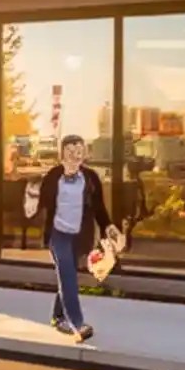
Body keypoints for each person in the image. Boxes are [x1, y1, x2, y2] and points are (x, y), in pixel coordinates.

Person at [39, 134, 117, 343]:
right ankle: (78, 325)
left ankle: (58, 317)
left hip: (79, 236)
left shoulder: (91, 178)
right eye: (71, 150)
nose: (76, 154)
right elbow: (43, 206)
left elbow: (99, 207)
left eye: (79, 150)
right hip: (59, 234)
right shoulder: (53, 177)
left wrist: (108, 226)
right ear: (62, 153)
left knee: (67, 276)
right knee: (68, 276)